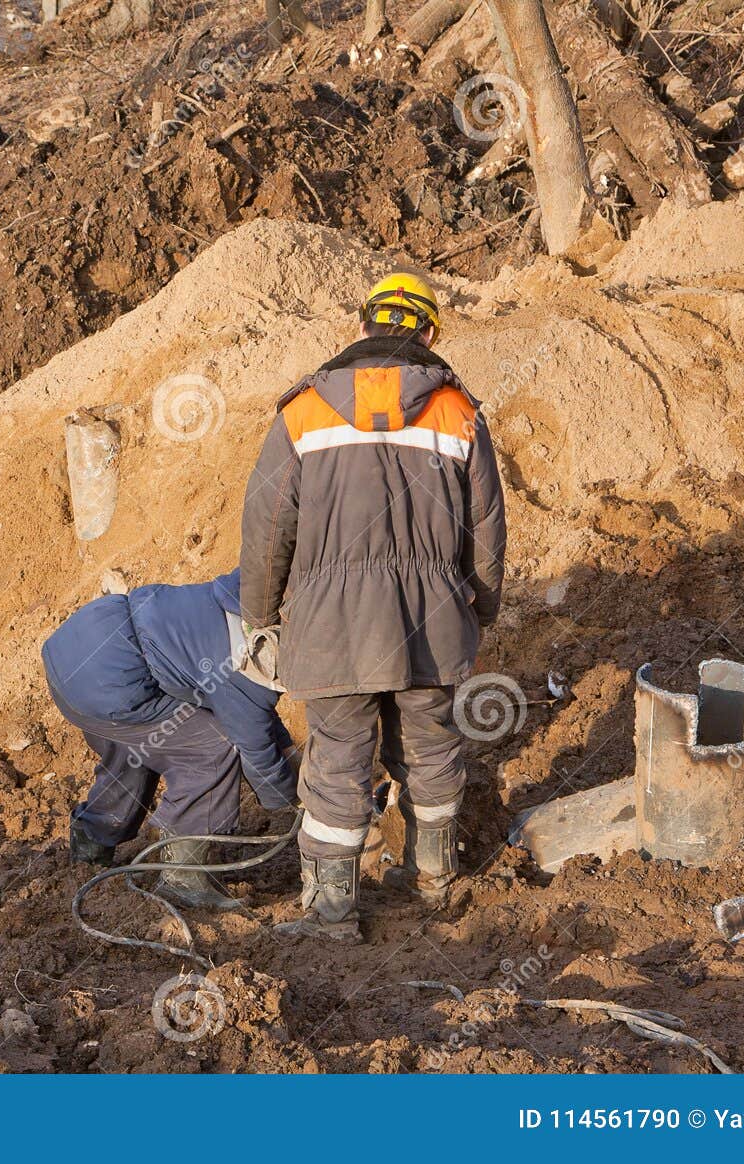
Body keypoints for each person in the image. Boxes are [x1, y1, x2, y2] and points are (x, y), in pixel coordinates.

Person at [239, 272, 507, 942]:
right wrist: (480, 609)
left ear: (361, 327)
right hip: (432, 619)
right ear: (427, 335)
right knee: (430, 747)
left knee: (337, 759)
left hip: (333, 627)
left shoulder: (305, 412)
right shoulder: (458, 412)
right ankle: (434, 885)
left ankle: (331, 913)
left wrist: (259, 615)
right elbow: (488, 528)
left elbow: (267, 526)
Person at [41, 570, 298, 911]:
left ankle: (92, 839)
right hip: (111, 684)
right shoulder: (247, 659)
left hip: (80, 654)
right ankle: (183, 876)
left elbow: (252, 713)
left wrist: (288, 751)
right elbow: (253, 743)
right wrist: (295, 797)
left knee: (139, 747)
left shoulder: (237, 601)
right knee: (214, 747)